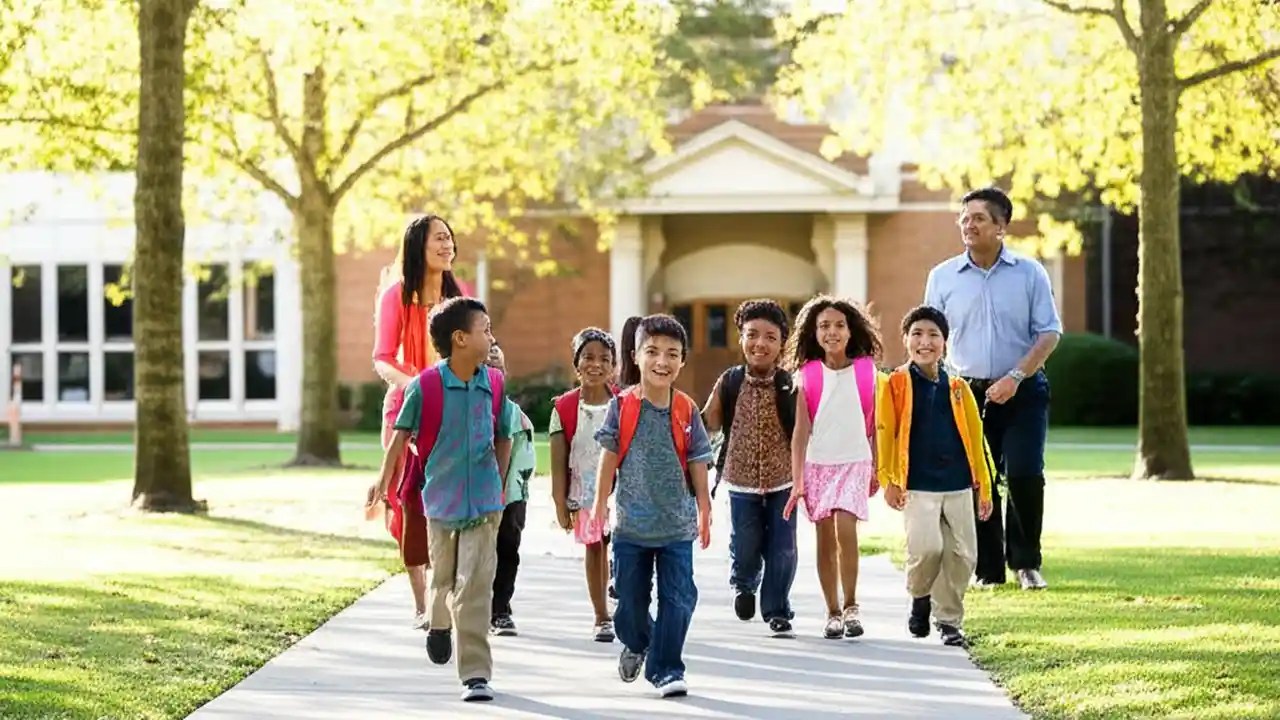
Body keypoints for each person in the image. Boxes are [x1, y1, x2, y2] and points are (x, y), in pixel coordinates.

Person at [372, 296, 512, 703]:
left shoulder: (496, 384)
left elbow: (504, 433)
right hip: (441, 501)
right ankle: (437, 622)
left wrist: (498, 485)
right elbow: (400, 437)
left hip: (485, 503)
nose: (491, 336)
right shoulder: (425, 386)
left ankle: (475, 674)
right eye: (484, 329)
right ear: (460, 339)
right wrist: (382, 484)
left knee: (476, 587)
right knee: (444, 579)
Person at [923, 187, 1062, 590]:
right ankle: (988, 569)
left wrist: (1015, 378)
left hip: (1024, 390)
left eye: (979, 218)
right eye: (964, 218)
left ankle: (1026, 563)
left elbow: (1049, 333)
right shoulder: (943, 277)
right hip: (964, 393)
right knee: (976, 479)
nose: (968, 224)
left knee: (1023, 473)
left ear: (1001, 226)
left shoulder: (1030, 273)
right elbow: (931, 336)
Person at [590, 314, 714, 698]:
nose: (663, 361)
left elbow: (697, 461)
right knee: (628, 604)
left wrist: (705, 510)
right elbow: (608, 458)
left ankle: (666, 669)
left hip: (676, 526)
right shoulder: (622, 406)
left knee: (679, 598)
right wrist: (598, 507)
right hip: (632, 527)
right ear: (636, 356)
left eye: (672, 354)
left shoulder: (686, 408)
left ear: (682, 361)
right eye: (654, 352)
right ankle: (637, 640)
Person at [368, 214, 468, 628]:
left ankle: (449, 594)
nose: (447, 245)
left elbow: (479, 343)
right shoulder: (395, 297)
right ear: (418, 247)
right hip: (408, 409)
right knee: (407, 503)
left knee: (451, 502)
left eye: (449, 238)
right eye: (438, 239)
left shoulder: (460, 296)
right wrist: (420, 385)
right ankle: (421, 603)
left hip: (455, 410)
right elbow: (382, 358)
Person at [877, 306, 994, 647]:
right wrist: (889, 481)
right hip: (918, 485)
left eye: (933, 335)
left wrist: (983, 488)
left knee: (963, 555)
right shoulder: (895, 384)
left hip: (957, 483)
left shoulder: (958, 387)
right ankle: (920, 596)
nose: (924, 342)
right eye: (917, 334)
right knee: (927, 549)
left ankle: (949, 621)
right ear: (905, 340)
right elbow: (884, 434)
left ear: (945, 342)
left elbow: (976, 440)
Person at [782, 295, 882, 640]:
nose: (832, 332)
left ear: (851, 331)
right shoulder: (808, 375)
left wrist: (877, 466)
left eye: (839, 325)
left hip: (855, 462)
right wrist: (797, 480)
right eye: (824, 326)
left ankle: (852, 604)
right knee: (824, 536)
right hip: (818, 465)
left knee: (845, 527)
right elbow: (799, 433)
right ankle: (833, 611)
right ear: (814, 332)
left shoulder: (867, 371)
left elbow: (875, 424)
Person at [701, 299, 798, 638]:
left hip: (783, 480)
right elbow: (707, 423)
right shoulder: (729, 381)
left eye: (770, 336)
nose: (760, 343)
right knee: (745, 542)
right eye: (752, 335)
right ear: (740, 338)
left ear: (781, 343)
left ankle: (777, 609)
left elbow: (805, 431)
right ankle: (743, 585)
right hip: (740, 481)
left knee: (783, 546)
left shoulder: (790, 384)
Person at [549, 327, 619, 642]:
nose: (596, 364)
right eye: (588, 357)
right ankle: (601, 615)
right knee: (595, 548)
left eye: (605, 359)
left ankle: (628, 604)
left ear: (614, 366)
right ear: (577, 364)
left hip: (621, 492)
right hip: (585, 492)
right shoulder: (563, 407)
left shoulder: (624, 402)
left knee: (624, 549)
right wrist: (559, 502)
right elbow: (558, 461)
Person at [487, 342, 536, 638]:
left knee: (507, 550)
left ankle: (501, 609)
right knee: (483, 553)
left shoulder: (513, 412)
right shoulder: (478, 409)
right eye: (486, 368)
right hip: (486, 493)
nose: (493, 372)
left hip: (513, 495)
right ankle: (491, 606)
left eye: (498, 368)